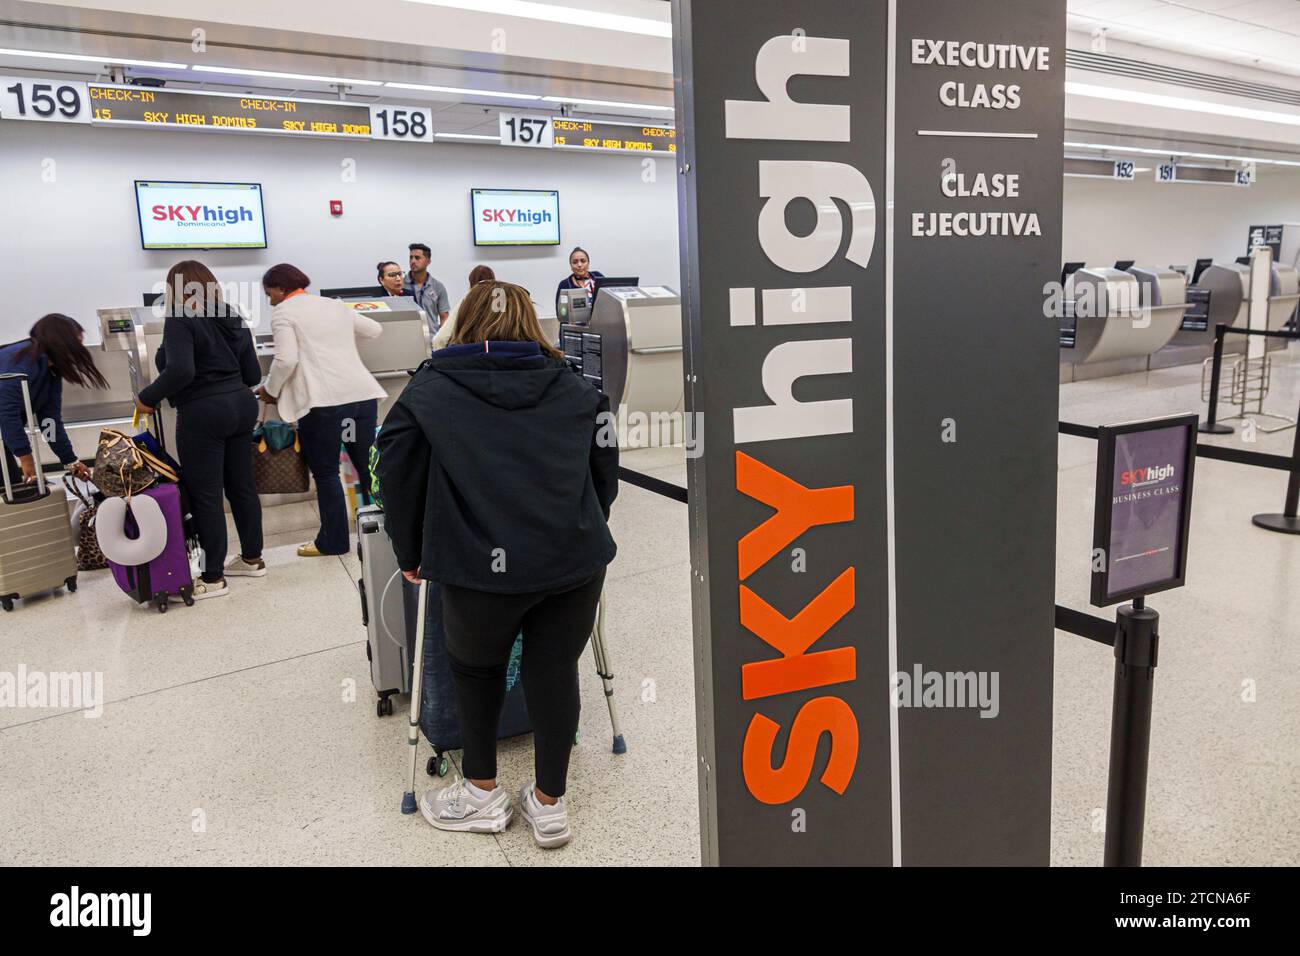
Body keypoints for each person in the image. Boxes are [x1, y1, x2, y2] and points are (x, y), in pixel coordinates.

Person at [378, 280, 618, 849]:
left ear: (463, 322)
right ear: (531, 324)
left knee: (477, 670)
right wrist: (583, 523)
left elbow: (396, 469)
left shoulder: (429, 389)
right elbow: (604, 471)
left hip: (478, 564)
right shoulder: (576, 385)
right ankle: (550, 805)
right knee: (554, 669)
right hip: (572, 559)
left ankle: (482, 793)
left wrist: (410, 552)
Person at [134, 261, 264, 600]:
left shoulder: (179, 317)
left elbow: (181, 370)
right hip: (241, 405)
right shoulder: (231, 314)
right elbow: (252, 374)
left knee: (206, 495)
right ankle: (252, 559)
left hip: (203, 412)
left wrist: (147, 398)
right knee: (241, 486)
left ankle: (213, 576)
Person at [258, 263, 386, 558]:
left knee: (327, 473)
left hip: (324, 403)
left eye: (270, 293)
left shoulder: (284, 313)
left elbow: (286, 360)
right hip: (361, 396)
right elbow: (374, 329)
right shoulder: (333, 305)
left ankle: (333, 541)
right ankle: (392, 528)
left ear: (281, 288)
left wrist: (270, 390)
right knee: (368, 467)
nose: (270, 300)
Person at [1, 314, 106, 487]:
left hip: (3, 439)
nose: (79, 350)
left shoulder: (51, 373)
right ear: (60, 341)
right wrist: (26, 459)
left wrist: (70, 461)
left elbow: (49, 422)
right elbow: (7, 415)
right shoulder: (20, 362)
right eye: (76, 343)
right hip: (4, 433)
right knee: (10, 490)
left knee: (12, 489)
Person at [431, 265, 496, 350]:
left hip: (471, 354)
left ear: (471, 283)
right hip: (501, 354)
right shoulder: (505, 302)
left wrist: (439, 356)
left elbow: (440, 340)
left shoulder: (466, 302)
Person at [403, 243, 449, 336]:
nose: (413, 261)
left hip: (432, 338)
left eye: (417, 258)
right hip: (408, 337)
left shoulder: (438, 286)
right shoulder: (401, 284)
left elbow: (444, 317)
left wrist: (441, 338)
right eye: (411, 258)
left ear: (428, 261)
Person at [554, 246, 604, 317]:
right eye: (575, 262)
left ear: (588, 263)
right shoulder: (564, 284)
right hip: (575, 323)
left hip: (600, 321)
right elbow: (561, 314)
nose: (579, 265)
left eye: (583, 261)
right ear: (571, 266)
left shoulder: (598, 277)